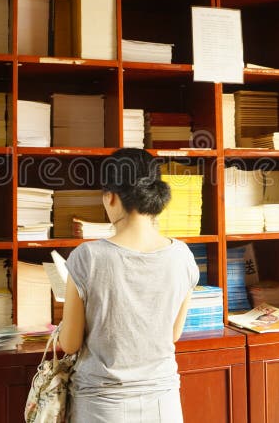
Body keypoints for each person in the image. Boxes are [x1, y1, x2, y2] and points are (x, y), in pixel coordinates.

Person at [59, 148, 199, 423]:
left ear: (110, 197)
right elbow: (173, 334)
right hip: (164, 402)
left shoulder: (87, 257)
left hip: (102, 405)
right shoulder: (182, 255)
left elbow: (71, 344)